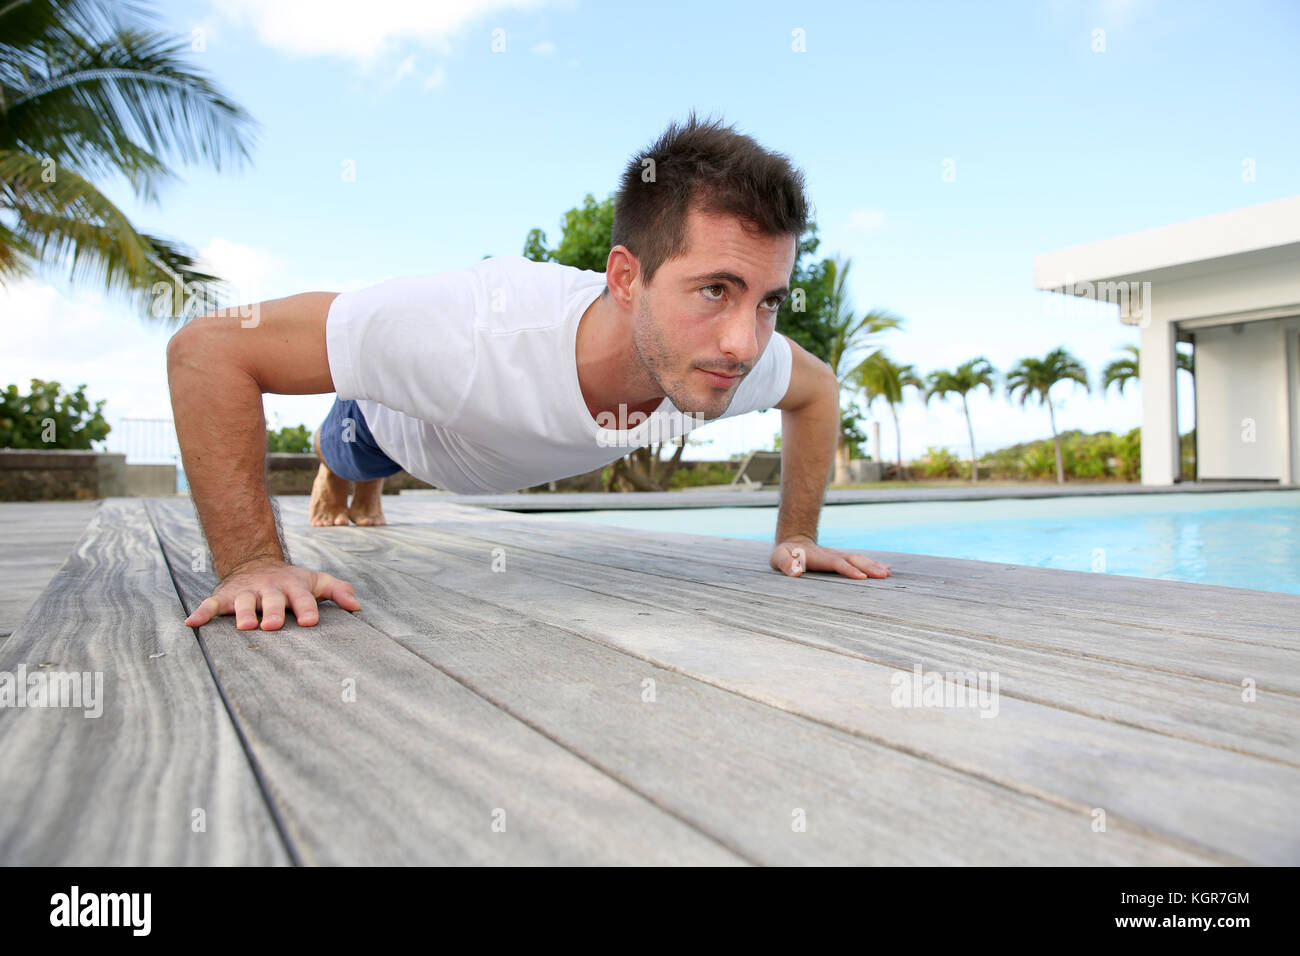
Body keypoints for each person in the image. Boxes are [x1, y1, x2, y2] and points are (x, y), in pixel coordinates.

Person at [168, 112, 892, 632]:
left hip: (485, 441)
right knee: (348, 450)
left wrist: (795, 535)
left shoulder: (734, 355)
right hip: (400, 428)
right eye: (714, 290)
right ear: (627, 278)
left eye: (768, 302)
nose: (743, 343)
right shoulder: (474, 325)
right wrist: (253, 563)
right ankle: (345, 464)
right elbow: (207, 350)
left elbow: (819, 389)